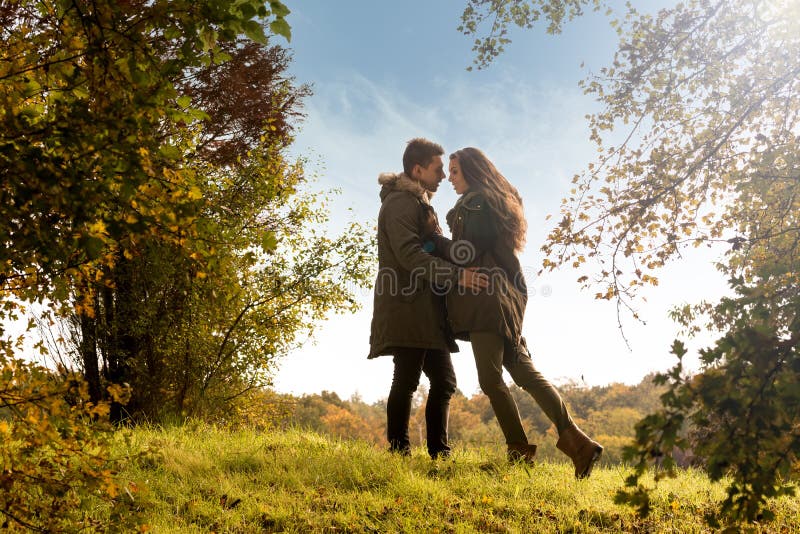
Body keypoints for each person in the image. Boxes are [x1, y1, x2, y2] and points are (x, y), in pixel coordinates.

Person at [444, 147, 603, 478]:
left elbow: (468, 248)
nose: (450, 177)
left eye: (455, 171)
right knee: (523, 372)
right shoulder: (495, 200)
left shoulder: (475, 202)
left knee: (490, 379)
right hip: (507, 295)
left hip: (486, 297)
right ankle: (580, 445)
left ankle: (518, 453)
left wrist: (436, 241)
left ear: (471, 172)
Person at [368, 138, 488, 459]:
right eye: (438, 169)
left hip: (425, 307)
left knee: (444, 382)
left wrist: (464, 252)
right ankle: (399, 452)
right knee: (407, 379)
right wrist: (457, 275)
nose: (444, 177)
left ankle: (439, 453)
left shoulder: (419, 202)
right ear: (418, 169)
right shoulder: (399, 204)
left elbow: (434, 241)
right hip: (406, 305)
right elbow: (410, 255)